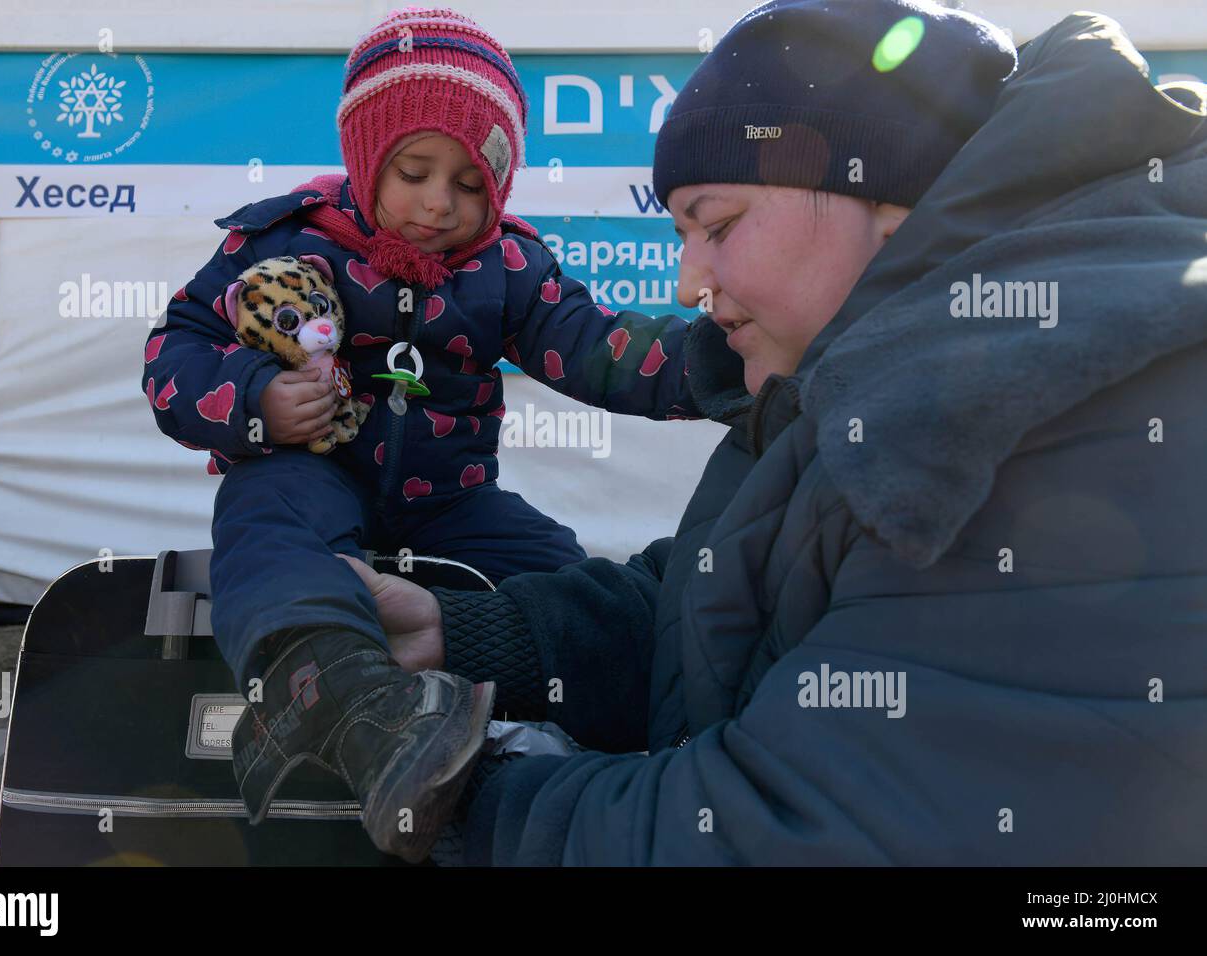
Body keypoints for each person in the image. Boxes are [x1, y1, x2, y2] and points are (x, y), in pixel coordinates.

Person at [339, 0, 1207, 864]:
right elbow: (728, 603)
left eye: (717, 226)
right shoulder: (870, 385)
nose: (686, 283)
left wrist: (465, 795)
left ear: (890, 201)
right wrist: (472, 634)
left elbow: (776, 832)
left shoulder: (1051, 407)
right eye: (680, 235)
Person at [140, 6, 704, 861]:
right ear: (369, 157)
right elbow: (174, 352)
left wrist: (728, 360)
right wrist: (256, 397)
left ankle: (620, 739)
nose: (440, 204)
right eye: (413, 171)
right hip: (310, 469)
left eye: (472, 183)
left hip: (450, 501)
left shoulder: (509, 267)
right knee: (268, 529)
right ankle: (339, 695)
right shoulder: (289, 240)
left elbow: (595, 349)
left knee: (564, 569)